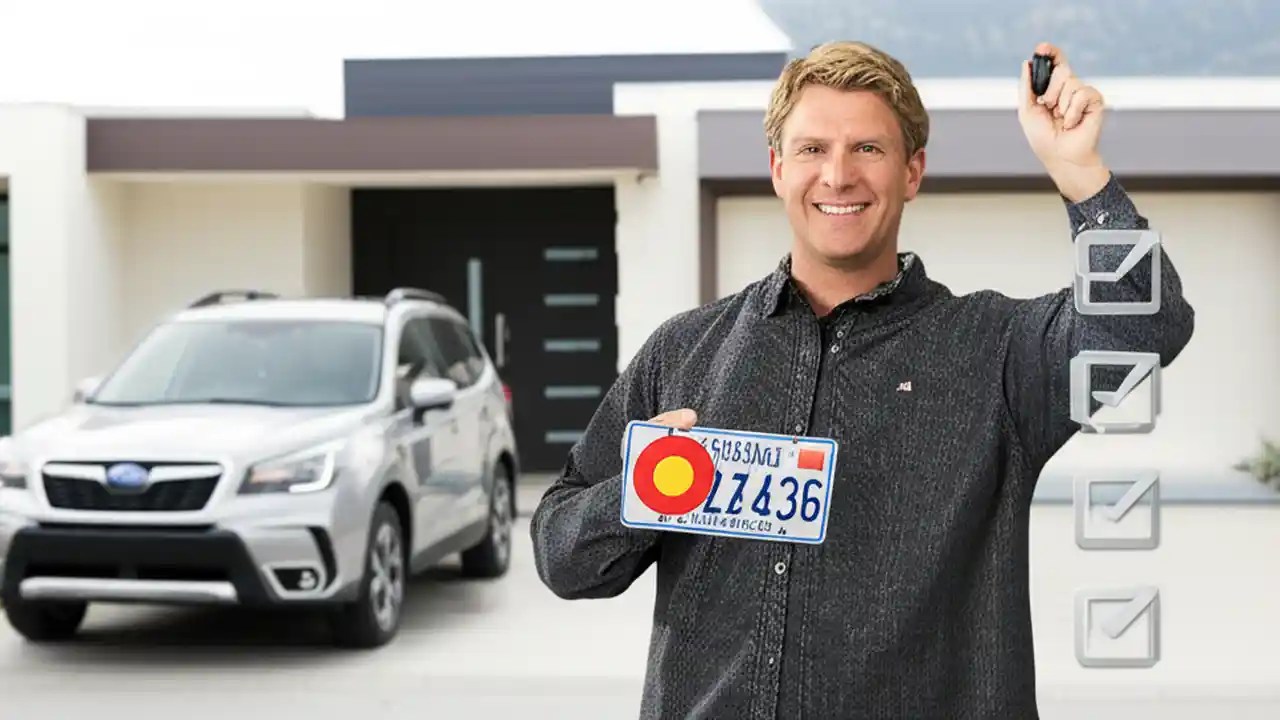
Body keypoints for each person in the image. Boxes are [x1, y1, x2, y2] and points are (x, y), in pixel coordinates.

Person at [530, 40, 1195, 718]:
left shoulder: (999, 352)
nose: (838, 175)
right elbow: (564, 557)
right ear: (777, 168)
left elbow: (1145, 326)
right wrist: (641, 493)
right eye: (813, 149)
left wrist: (1080, 174)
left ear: (913, 171)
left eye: (868, 150)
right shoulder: (683, 352)